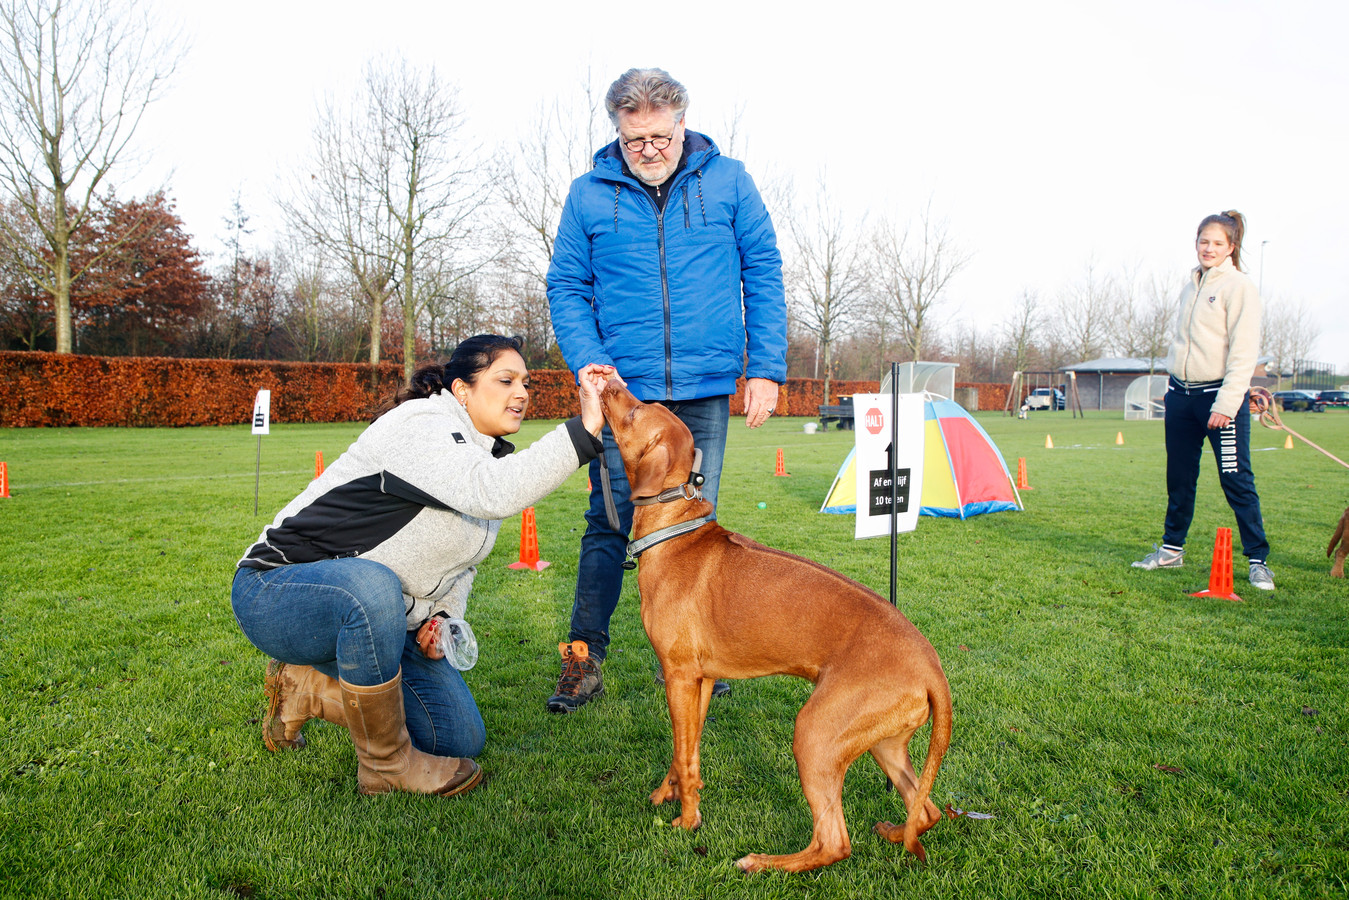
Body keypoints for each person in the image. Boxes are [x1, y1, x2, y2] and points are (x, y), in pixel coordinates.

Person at [231, 334, 613, 796]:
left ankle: (306, 689)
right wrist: (586, 425)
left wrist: (444, 619)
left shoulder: (481, 455)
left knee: (457, 738)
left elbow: (463, 566)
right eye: (506, 380)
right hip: (274, 591)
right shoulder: (420, 423)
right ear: (461, 390)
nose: (522, 393)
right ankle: (385, 766)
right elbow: (492, 492)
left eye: (526, 383)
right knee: (371, 588)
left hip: (382, 615)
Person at [545, 67, 787, 712]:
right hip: (629, 394)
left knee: (692, 522)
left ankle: (693, 652)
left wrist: (764, 368)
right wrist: (592, 362)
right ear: (617, 133)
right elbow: (566, 286)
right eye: (633, 139)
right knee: (608, 523)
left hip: (707, 387)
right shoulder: (588, 194)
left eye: (658, 135)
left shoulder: (730, 181)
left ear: (682, 124)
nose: (647, 148)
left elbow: (763, 272)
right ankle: (582, 659)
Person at [1133, 210, 1274, 590]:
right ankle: (1171, 550)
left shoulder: (1239, 286)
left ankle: (1258, 560)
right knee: (1179, 478)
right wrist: (1171, 383)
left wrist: (1227, 404)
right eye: (1203, 241)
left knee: (1236, 481)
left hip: (1219, 401)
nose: (1208, 248)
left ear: (1231, 247)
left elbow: (1244, 352)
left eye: (1216, 243)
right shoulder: (1190, 284)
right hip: (1181, 397)